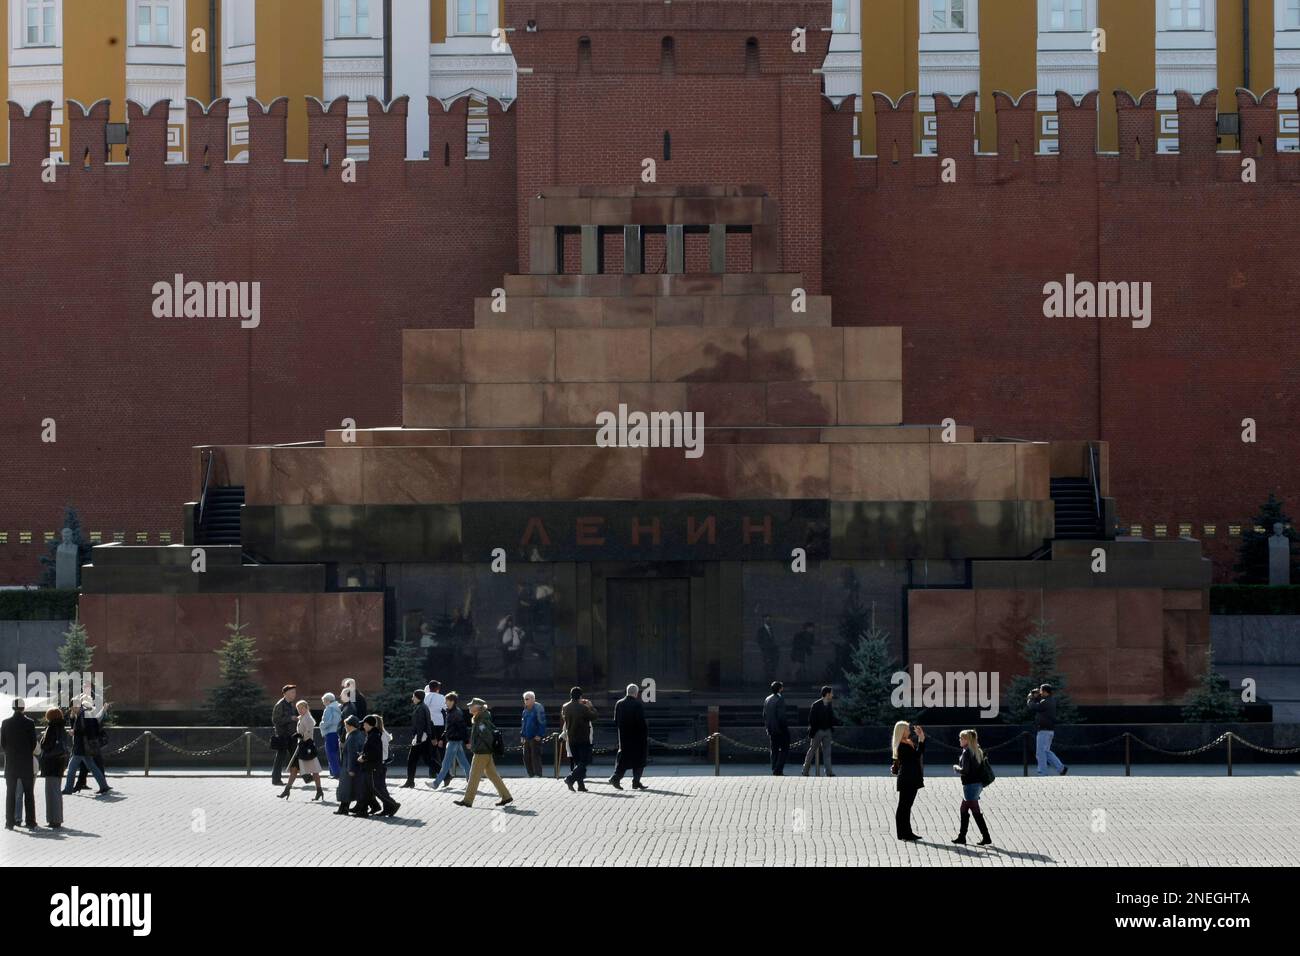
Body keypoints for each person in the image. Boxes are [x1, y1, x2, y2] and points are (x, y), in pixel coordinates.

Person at [453, 698, 513, 808]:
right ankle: (506, 796)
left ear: (478, 708)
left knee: (473, 776)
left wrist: (481, 746)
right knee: (493, 775)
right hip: (484, 752)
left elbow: (487, 737)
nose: (469, 707)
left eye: (472, 705)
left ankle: (467, 800)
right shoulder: (480, 719)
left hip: (481, 753)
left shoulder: (481, 721)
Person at [278, 699, 325, 801]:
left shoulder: (308, 718)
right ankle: (287, 790)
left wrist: (301, 736)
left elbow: (309, 731)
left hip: (307, 746)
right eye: (298, 708)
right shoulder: (303, 717)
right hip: (302, 746)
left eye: (301, 708)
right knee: (294, 769)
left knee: (314, 771)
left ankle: (319, 791)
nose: (299, 710)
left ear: (306, 707)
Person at [951, 729, 993, 846]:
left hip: (970, 785)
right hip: (977, 784)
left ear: (966, 740)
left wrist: (956, 768)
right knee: (964, 809)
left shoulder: (967, 752)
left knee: (974, 811)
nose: (959, 740)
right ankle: (963, 836)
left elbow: (965, 770)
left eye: (961, 738)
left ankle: (985, 837)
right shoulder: (977, 750)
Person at [62, 696, 110, 796]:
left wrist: (74, 732)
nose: (72, 710)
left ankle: (68, 789)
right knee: (93, 767)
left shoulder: (82, 715)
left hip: (81, 747)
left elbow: (84, 730)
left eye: (72, 708)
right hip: (86, 746)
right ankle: (104, 786)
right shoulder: (85, 713)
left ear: (75, 706)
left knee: (71, 768)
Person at [2, 698, 38, 830]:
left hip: (11, 764)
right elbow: (33, 743)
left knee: (10, 794)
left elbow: (3, 744)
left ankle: (9, 822)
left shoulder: (5, 723)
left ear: (12, 708)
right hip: (26, 764)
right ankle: (30, 821)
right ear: (23, 708)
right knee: (29, 794)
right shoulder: (30, 723)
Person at [608, 684, 648, 790]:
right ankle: (635, 781)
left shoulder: (619, 703)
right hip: (637, 738)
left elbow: (616, 721)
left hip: (623, 737)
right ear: (636, 693)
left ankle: (616, 777)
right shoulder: (637, 705)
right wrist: (645, 735)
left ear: (627, 692)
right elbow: (641, 723)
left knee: (623, 760)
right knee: (640, 760)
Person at [892, 721, 926, 841]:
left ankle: (906, 832)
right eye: (907, 729)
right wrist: (921, 739)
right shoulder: (902, 745)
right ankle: (903, 833)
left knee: (906, 806)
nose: (909, 731)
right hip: (907, 778)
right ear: (901, 731)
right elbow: (916, 756)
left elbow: (917, 755)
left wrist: (921, 739)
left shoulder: (907, 742)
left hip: (910, 777)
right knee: (904, 806)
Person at [560, 687, 597, 792]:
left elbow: (565, 719)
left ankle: (581, 786)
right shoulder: (583, 708)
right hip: (583, 738)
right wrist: (590, 706)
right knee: (584, 761)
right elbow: (594, 716)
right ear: (580, 696)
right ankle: (570, 778)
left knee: (578, 763)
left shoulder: (565, 707)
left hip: (571, 739)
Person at [1027, 684, 1068, 776]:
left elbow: (1034, 707)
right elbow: (1040, 703)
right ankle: (1061, 768)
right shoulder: (1051, 700)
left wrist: (1030, 699)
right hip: (1048, 730)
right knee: (1046, 751)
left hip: (1044, 731)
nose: (1040, 693)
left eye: (1041, 691)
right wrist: (1035, 697)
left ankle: (1043, 773)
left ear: (1045, 692)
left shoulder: (1045, 702)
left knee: (1040, 753)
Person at [434, 692, 472, 789]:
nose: (445, 702)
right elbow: (448, 728)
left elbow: (462, 728)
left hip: (454, 741)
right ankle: (471, 782)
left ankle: (436, 783)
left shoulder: (456, 713)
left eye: (446, 700)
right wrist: (442, 738)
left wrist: (467, 741)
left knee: (446, 764)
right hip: (455, 740)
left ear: (452, 701)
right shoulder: (451, 712)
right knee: (463, 762)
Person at [38, 707, 68, 829]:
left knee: (51, 792)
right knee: (56, 791)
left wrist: (42, 739)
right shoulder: (62, 728)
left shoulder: (51, 728)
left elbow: (46, 745)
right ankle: (57, 818)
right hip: (59, 762)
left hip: (51, 762)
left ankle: (54, 819)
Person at [802, 685, 838, 777]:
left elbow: (831, 717)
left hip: (827, 731)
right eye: (831, 693)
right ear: (827, 694)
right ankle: (805, 771)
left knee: (827, 752)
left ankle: (829, 772)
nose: (832, 695)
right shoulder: (816, 704)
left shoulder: (829, 704)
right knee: (812, 751)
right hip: (817, 731)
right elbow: (811, 719)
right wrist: (815, 729)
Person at [404, 690, 437, 787]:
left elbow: (420, 725)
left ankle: (410, 781)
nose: (412, 698)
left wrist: (418, 739)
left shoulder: (420, 708)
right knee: (427, 760)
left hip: (421, 738)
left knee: (411, 760)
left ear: (418, 697)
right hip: (423, 737)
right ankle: (446, 775)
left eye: (413, 696)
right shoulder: (422, 707)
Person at [335, 716, 366, 815]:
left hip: (348, 766)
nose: (345, 727)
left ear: (350, 725)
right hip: (352, 766)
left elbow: (352, 754)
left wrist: (350, 769)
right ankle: (344, 807)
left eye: (346, 725)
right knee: (348, 788)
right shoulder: (358, 734)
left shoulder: (352, 737)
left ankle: (343, 808)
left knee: (345, 788)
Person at [372, 715, 400, 816]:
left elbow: (380, 751)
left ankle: (392, 804)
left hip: (379, 764)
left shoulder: (379, 734)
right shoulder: (383, 733)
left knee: (377, 787)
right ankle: (388, 807)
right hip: (382, 764)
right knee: (381, 787)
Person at [271, 684, 299, 786]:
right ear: (286, 693)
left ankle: (306, 776)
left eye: (295, 692)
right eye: (292, 692)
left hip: (291, 735)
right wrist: (290, 718)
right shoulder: (280, 704)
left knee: (295, 756)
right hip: (283, 736)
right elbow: (275, 720)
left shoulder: (290, 704)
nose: (294, 694)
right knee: (280, 758)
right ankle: (276, 779)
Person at [763, 681, 790, 776]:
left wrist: (767, 728)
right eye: (782, 687)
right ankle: (778, 769)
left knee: (774, 750)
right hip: (780, 730)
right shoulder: (780, 699)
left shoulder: (767, 699)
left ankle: (774, 767)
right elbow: (781, 716)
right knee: (784, 749)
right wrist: (785, 729)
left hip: (771, 730)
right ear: (780, 689)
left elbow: (764, 715)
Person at [520, 691, 547, 778]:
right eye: (524, 699)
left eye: (527, 699)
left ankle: (538, 775)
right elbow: (523, 724)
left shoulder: (538, 708)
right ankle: (531, 774)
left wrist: (540, 734)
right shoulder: (525, 710)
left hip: (535, 737)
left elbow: (542, 722)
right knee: (526, 757)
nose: (525, 701)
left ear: (533, 699)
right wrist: (522, 735)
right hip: (527, 737)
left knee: (535, 756)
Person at [424, 679, 447, 776]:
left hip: (429, 725)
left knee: (431, 749)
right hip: (440, 724)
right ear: (437, 688)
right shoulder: (441, 697)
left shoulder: (425, 696)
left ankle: (432, 772)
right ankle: (442, 771)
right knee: (441, 749)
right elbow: (445, 708)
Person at [320, 692, 343, 778]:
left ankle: (335, 772)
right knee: (336, 753)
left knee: (331, 753)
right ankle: (334, 772)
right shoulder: (338, 707)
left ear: (327, 700)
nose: (323, 703)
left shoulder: (329, 708)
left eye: (324, 701)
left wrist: (321, 725)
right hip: (337, 732)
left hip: (330, 732)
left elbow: (327, 722)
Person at [500, 615, 524, 680]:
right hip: (507, 648)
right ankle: (507, 672)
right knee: (507, 661)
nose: (510, 623)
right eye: (509, 622)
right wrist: (505, 618)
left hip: (515, 648)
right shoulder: (504, 629)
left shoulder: (515, 629)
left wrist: (520, 633)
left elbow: (522, 634)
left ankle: (515, 671)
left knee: (515, 661)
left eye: (511, 622)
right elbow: (499, 628)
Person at [756, 614, 779, 678]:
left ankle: (771, 677)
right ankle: (767, 678)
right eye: (766, 619)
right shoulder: (761, 630)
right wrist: (763, 649)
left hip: (773, 650)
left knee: (773, 665)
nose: (768, 620)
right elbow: (759, 640)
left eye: (769, 619)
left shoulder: (772, 629)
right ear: (763, 620)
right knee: (767, 665)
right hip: (766, 650)